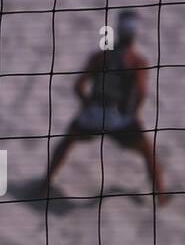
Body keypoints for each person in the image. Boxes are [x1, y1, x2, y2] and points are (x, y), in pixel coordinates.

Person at [42, 11, 166, 205]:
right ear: (135, 35)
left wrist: (86, 105)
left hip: (93, 115)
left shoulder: (100, 56)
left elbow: (78, 86)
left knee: (67, 142)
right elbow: (142, 92)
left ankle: (45, 183)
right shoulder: (137, 61)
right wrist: (133, 113)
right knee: (147, 152)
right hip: (119, 118)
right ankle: (162, 196)